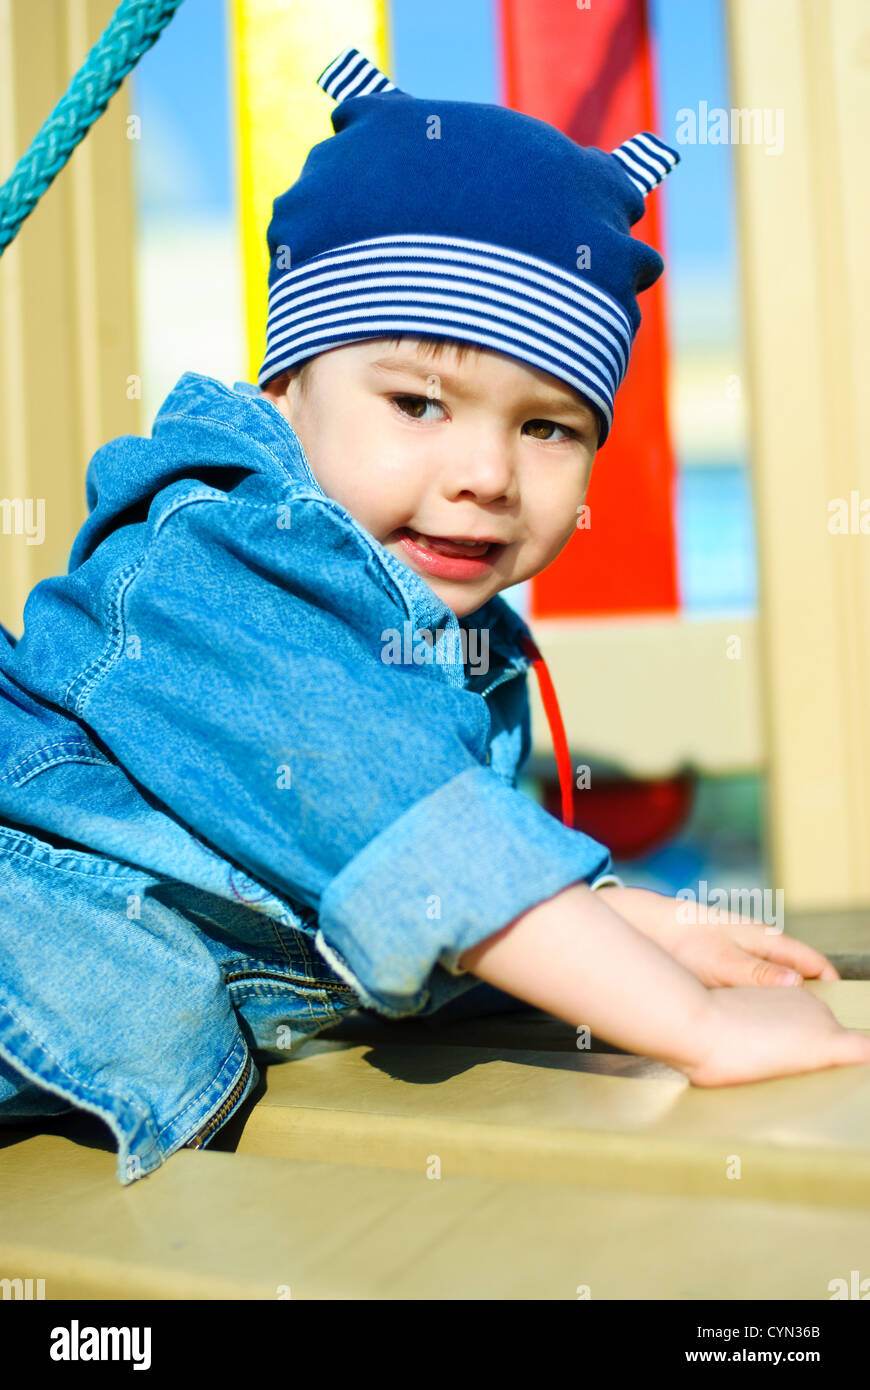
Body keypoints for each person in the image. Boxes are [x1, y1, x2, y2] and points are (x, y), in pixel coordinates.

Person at [1, 46, 866, 1187]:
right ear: (284, 391)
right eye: (418, 401)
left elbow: (430, 837)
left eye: (548, 426)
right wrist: (692, 1026)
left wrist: (632, 924)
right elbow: (405, 831)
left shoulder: (423, 626)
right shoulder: (219, 575)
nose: (487, 473)